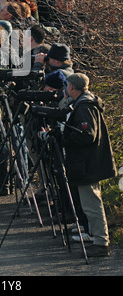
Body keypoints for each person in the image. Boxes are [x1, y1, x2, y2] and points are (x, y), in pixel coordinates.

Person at [62, 73, 117, 257]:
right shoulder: (88, 102)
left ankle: (101, 243)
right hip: (91, 162)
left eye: (67, 85)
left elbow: (87, 135)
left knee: (91, 204)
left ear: (71, 88)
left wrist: (65, 136)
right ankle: (100, 240)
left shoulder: (84, 107)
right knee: (92, 202)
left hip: (86, 164)